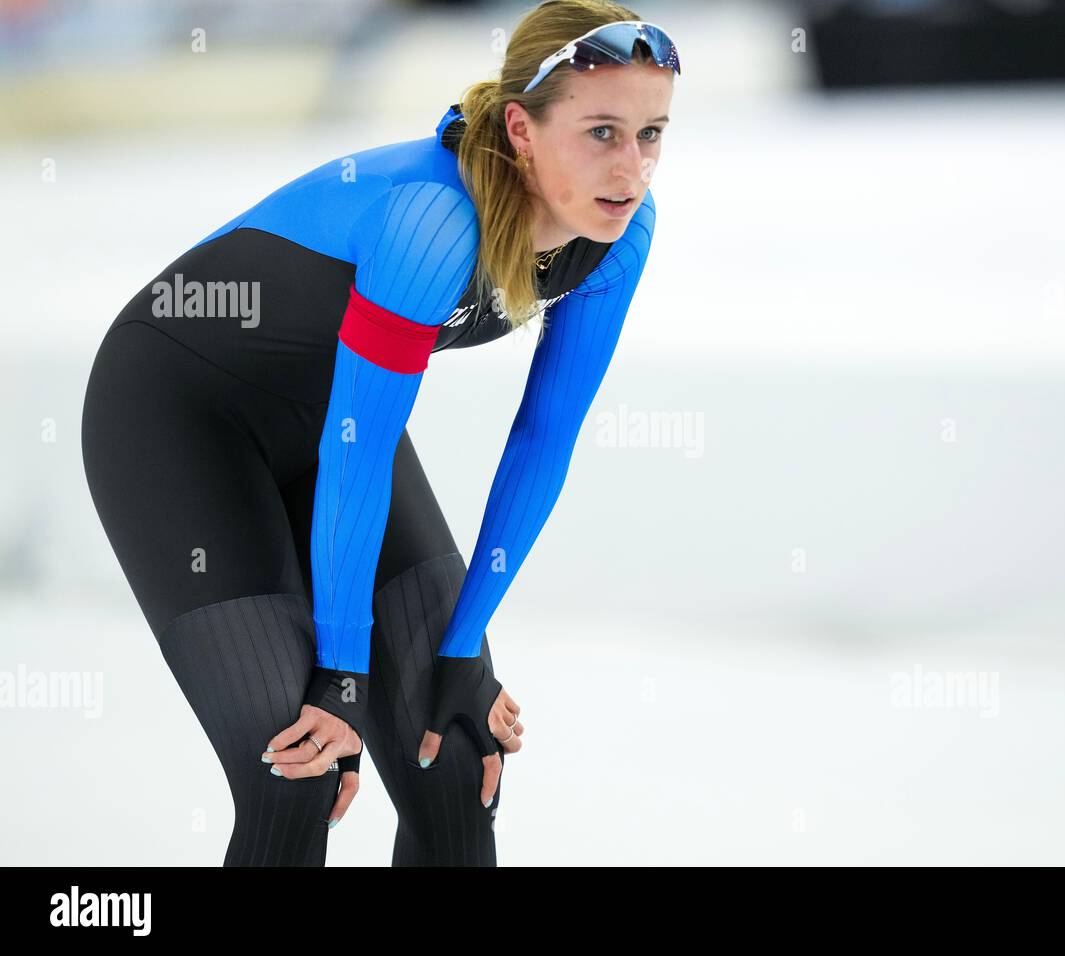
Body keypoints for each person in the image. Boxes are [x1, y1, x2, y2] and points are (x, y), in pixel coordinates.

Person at [79, 0, 679, 866]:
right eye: (601, 132)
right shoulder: (433, 223)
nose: (632, 167)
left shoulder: (618, 236)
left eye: (651, 133)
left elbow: (544, 437)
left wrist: (463, 646)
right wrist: (343, 675)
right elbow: (358, 458)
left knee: (458, 757)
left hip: (330, 425)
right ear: (522, 128)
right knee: (299, 768)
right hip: (179, 417)